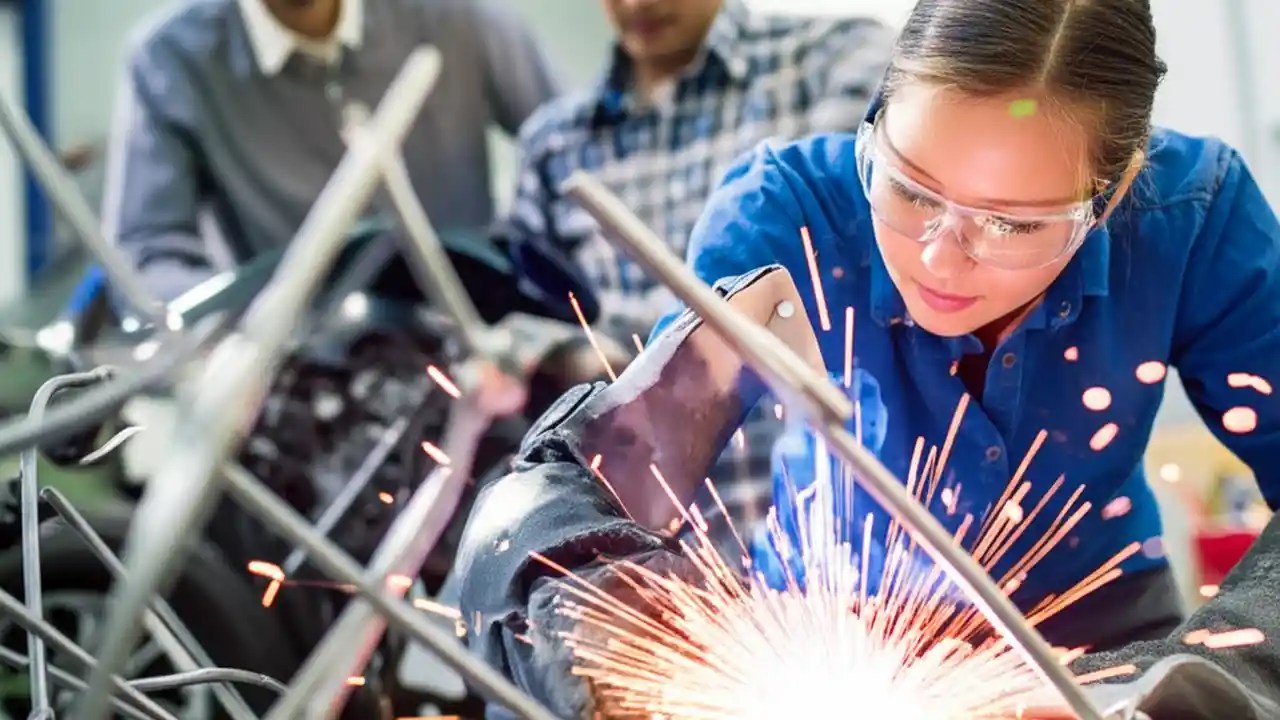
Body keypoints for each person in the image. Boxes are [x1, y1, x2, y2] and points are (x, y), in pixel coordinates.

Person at [454, 0, 1280, 717]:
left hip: (1106, 650)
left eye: (1013, 225)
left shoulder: (1193, 218)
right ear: (879, 113)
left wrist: (1208, 678)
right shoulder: (788, 219)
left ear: (1118, 185)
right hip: (837, 656)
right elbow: (603, 472)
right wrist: (602, 614)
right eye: (911, 188)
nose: (938, 257)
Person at [500, 0, 894, 544]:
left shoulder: (833, 60)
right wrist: (571, 357)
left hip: (841, 515)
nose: (637, 4)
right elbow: (514, 317)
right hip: (656, 541)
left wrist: (662, 350)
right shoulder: (555, 146)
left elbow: (852, 244)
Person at [104, 0, 559, 303]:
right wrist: (238, 338)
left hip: (485, 339)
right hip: (303, 377)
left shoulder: (458, 16)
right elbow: (146, 260)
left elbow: (578, 152)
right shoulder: (172, 61)